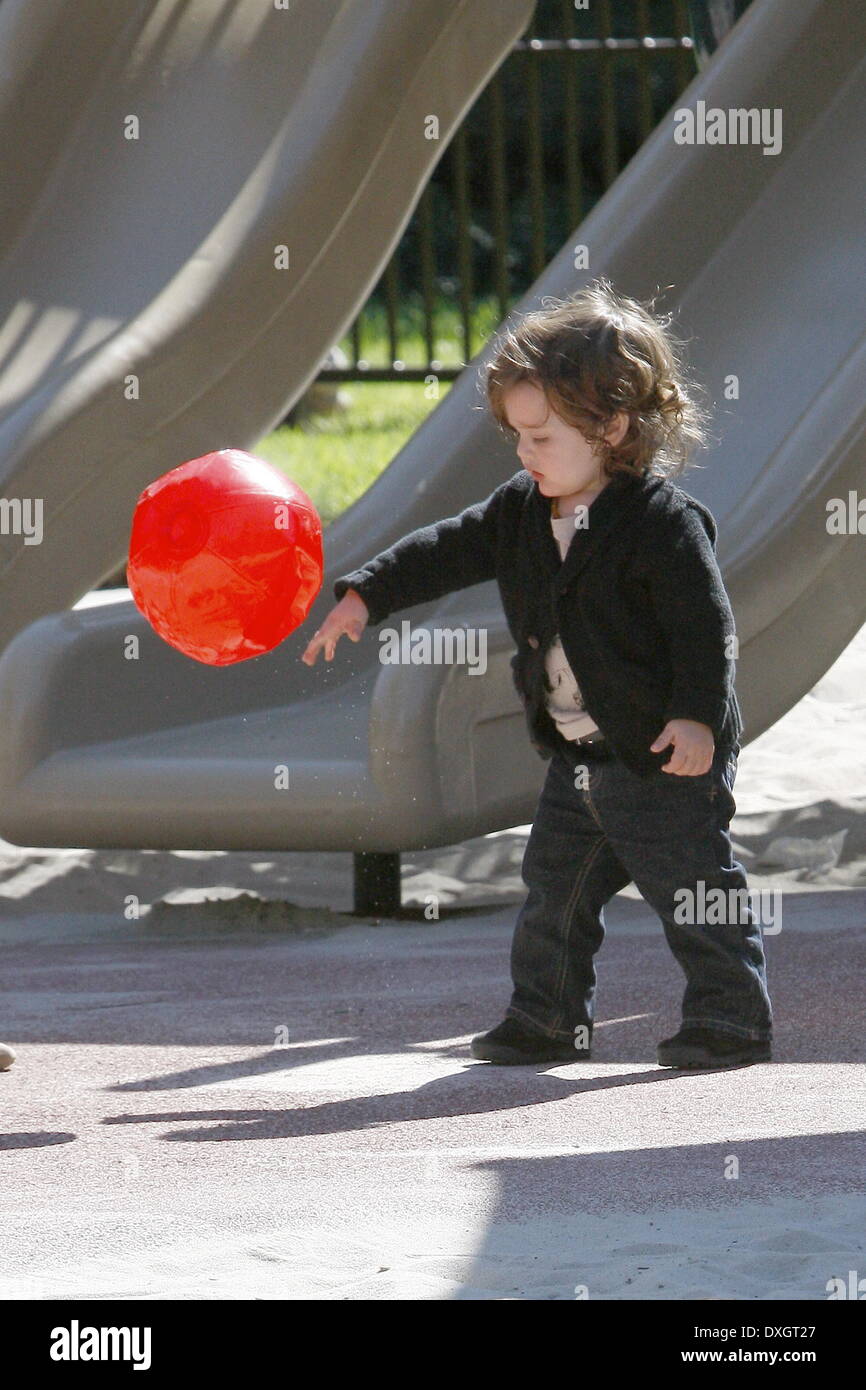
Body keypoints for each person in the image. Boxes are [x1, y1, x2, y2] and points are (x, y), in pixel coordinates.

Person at [302, 278, 773, 1070]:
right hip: (581, 758)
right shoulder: (522, 510)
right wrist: (366, 595)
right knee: (554, 893)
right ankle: (548, 1018)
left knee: (693, 890)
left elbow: (707, 632)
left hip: (661, 757)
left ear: (613, 427)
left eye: (542, 436)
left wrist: (695, 717)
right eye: (516, 435)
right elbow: (447, 549)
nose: (525, 453)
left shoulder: (662, 526)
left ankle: (730, 1019)